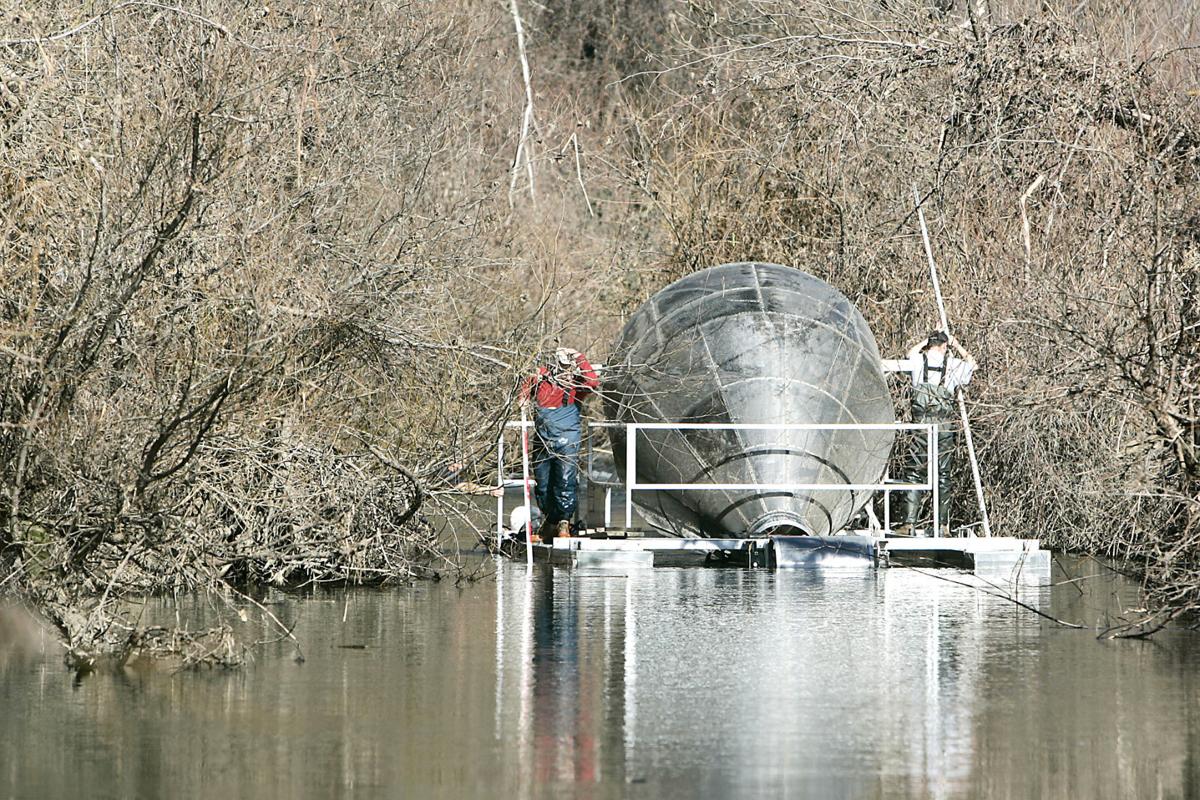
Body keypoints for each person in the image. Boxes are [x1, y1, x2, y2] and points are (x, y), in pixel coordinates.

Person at [894, 330, 976, 536]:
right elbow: (972, 364)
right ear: (944, 346)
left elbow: (908, 354)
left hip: (920, 428)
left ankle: (909, 524)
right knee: (943, 475)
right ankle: (942, 525)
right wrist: (956, 344)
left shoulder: (917, 361)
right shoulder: (954, 365)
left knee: (914, 472)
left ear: (928, 345)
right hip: (944, 429)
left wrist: (925, 340)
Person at [520, 347, 599, 539]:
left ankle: (564, 523)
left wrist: (579, 357)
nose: (566, 372)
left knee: (565, 481)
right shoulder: (541, 379)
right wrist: (524, 397)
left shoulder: (576, 385)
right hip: (543, 439)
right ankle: (550, 522)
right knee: (543, 484)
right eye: (562, 367)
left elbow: (593, 382)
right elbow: (524, 390)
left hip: (567, 441)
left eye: (569, 367)